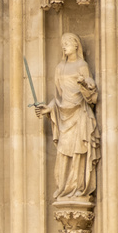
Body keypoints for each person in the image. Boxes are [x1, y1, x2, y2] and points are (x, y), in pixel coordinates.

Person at [35, 33, 100, 200]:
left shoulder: (82, 65)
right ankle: (65, 187)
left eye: (68, 43)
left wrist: (84, 83)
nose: (64, 46)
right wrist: (49, 108)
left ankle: (78, 187)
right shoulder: (60, 67)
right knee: (63, 153)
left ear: (76, 45)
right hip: (64, 115)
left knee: (79, 151)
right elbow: (59, 96)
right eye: (63, 43)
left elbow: (91, 89)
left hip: (79, 113)